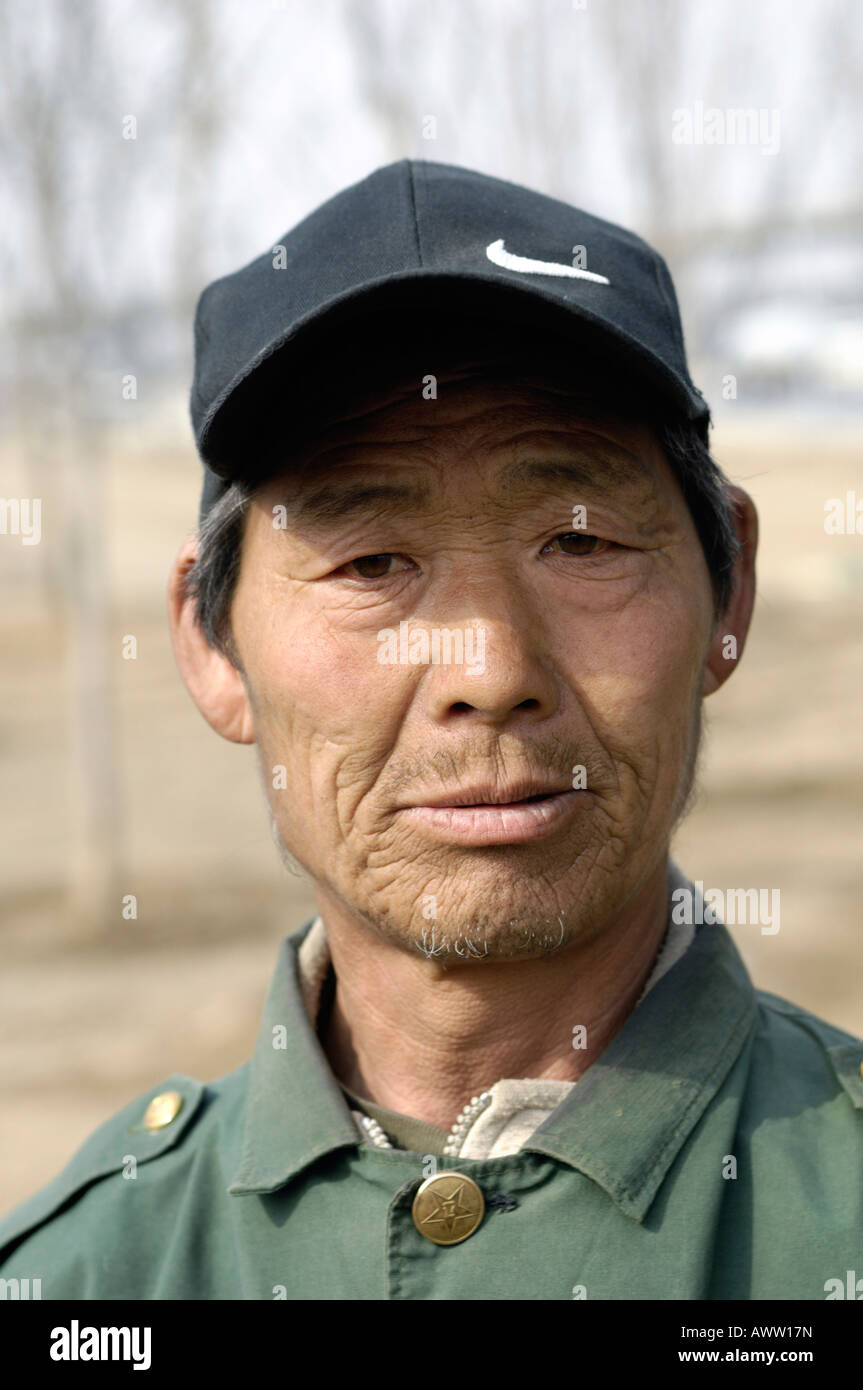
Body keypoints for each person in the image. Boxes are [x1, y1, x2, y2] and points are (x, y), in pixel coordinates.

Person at [1, 160, 860, 1301]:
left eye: (582, 541)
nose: (489, 671)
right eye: (370, 562)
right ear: (213, 648)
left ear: (726, 594)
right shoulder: (91, 1279)